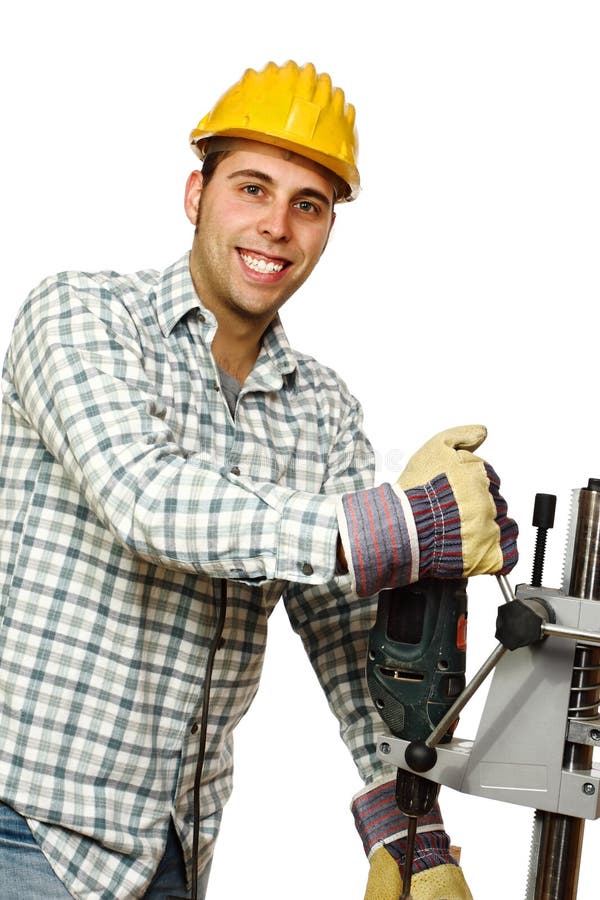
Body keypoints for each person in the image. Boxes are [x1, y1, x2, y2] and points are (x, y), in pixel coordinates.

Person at [0, 60, 517, 899]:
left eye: (307, 205)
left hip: (175, 843)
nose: (276, 226)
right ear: (195, 194)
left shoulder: (323, 410)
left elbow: (350, 637)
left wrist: (410, 829)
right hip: (24, 825)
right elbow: (148, 499)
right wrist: (407, 523)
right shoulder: (78, 315)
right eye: (252, 189)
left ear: (327, 230)